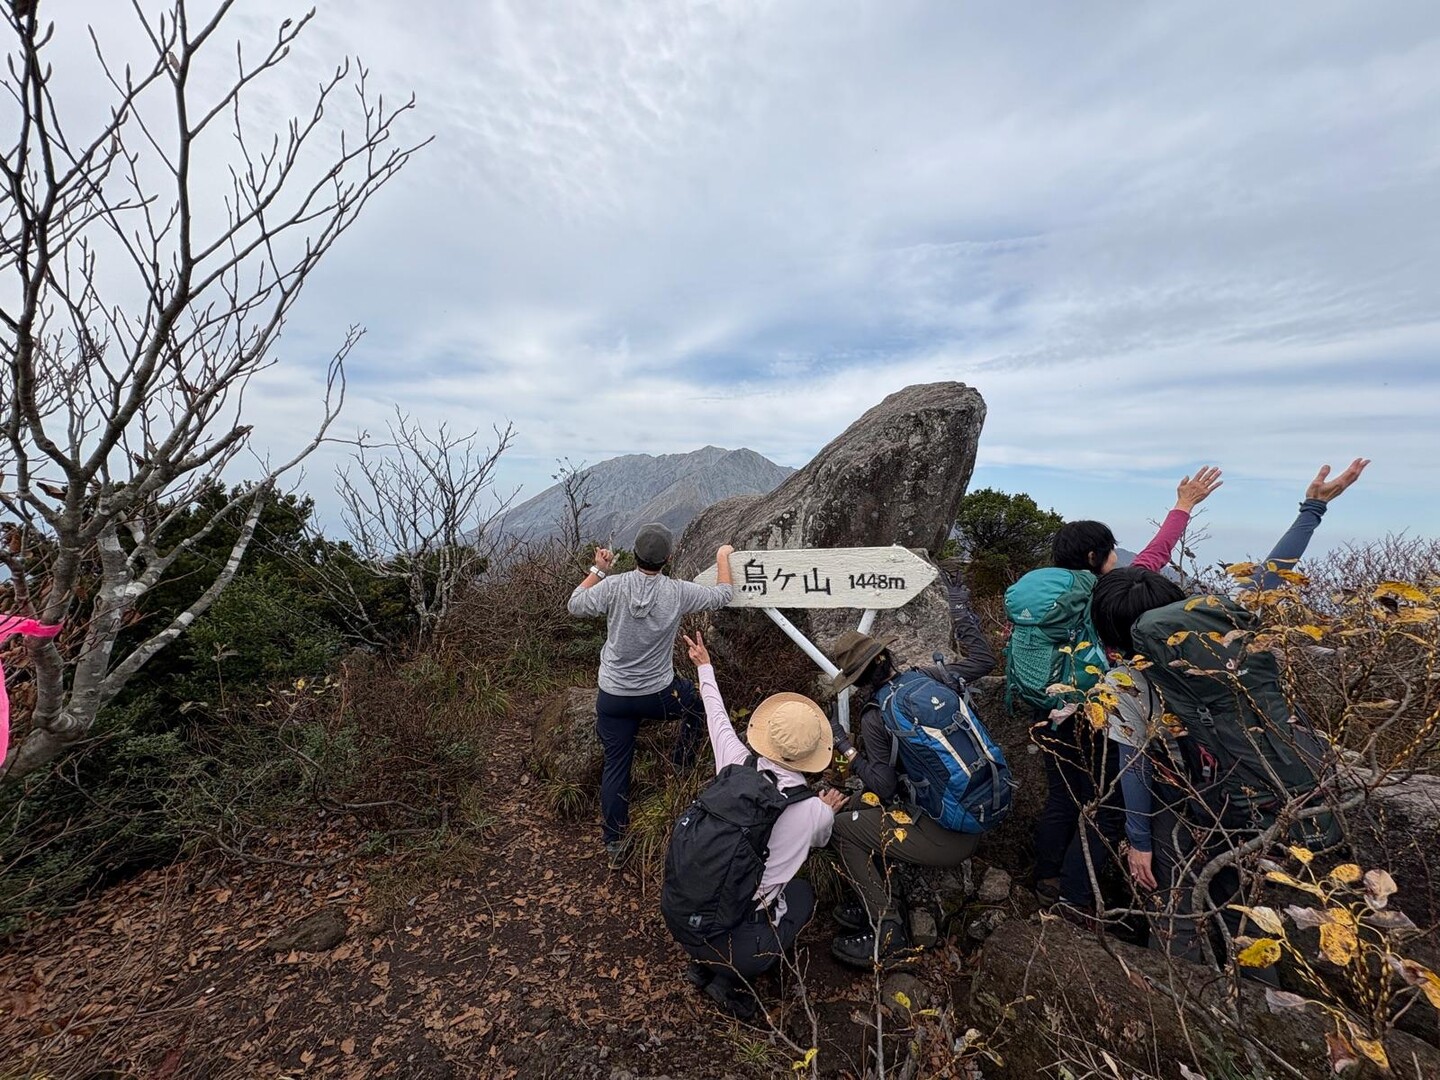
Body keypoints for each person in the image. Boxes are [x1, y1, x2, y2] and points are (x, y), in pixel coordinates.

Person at [1082, 459, 1369, 961]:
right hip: (1276, 793)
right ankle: (1259, 991)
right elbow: (1270, 576)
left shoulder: (1126, 681)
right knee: (1251, 920)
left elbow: (1135, 769)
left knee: (1180, 910)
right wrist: (1313, 507)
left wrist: (1139, 841)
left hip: (1202, 806)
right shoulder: (1221, 630)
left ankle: (1182, 994)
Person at [1026, 468, 1224, 903]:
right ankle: (1077, 900)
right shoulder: (1114, 594)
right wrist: (1184, 506)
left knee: (1063, 800)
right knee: (1107, 809)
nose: (1118, 560)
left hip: (1049, 707)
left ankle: (1045, 879)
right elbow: (1157, 553)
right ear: (1098, 557)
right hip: (1106, 713)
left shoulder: (1045, 599)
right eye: (1113, 553)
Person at [666, 631, 848, 1019]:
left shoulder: (735, 765)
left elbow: (717, 718)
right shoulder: (812, 812)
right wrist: (828, 809)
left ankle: (702, 967)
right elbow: (821, 839)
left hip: (685, 918)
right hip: (739, 947)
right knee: (801, 896)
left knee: (730, 895)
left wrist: (705, 666)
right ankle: (730, 980)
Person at [823, 570, 999, 968]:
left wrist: (846, 746)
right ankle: (866, 897)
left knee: (842, 826)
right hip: (979, 809)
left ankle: (887, 930)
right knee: (854, 801)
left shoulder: (875, 716)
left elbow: (884, 787)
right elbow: (985, 660)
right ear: (887, 658)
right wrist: (958, 605)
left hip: (947, 836)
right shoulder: (929, 677)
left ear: (858, 681)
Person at [567, 524, 735, 868]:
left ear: (635, 555)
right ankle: (681, 764)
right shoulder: (676, 592)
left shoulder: (614, 586)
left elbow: (575, 604)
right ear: (668, 559)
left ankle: (614, 844)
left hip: (613, 695)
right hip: (657, 693)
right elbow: (723, 595)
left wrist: (600, 568)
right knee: (699, 706)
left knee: (617, 764)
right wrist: (722, 556)